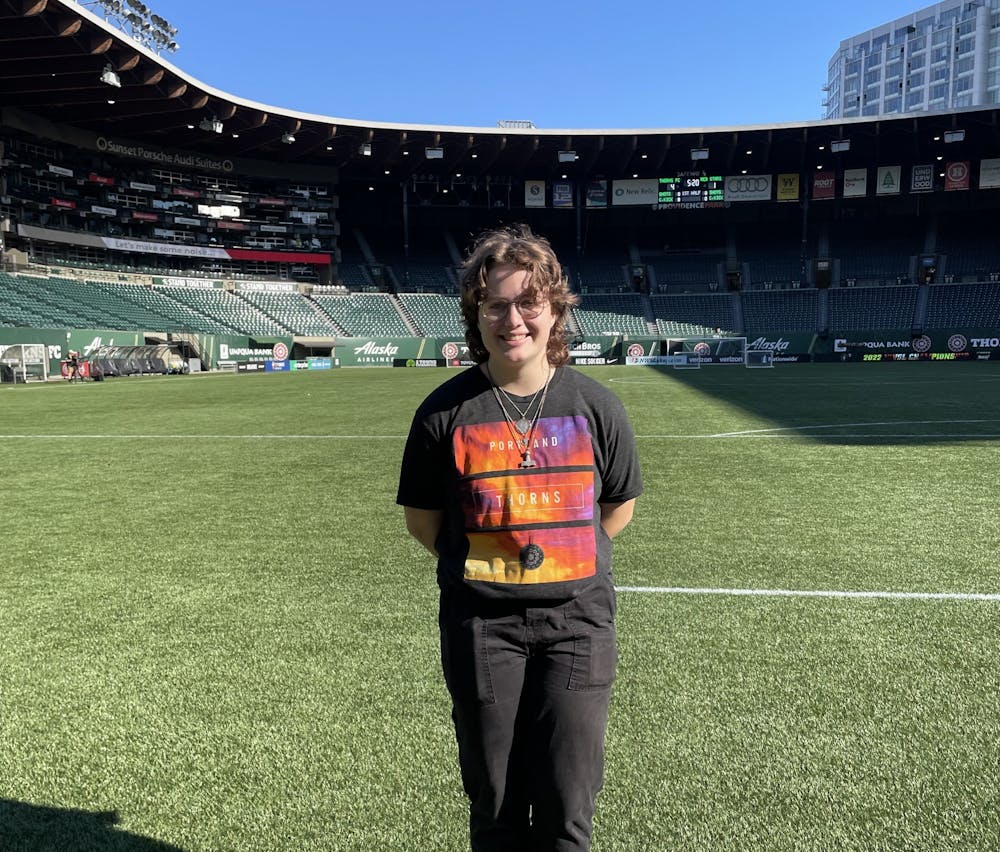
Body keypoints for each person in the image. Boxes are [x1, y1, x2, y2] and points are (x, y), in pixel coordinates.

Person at [397, 225, 642, 851]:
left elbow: (617, 508)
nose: (513, 320)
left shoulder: (596, 406)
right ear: (475, 315)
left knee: (567, 808)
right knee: (497, 808)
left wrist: (560, 556)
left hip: (578, 627)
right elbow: (424, 523)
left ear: (554, 308)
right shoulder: (443, 413)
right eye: (495, 305)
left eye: (528, 302)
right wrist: (494, 563)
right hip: (483, 628)